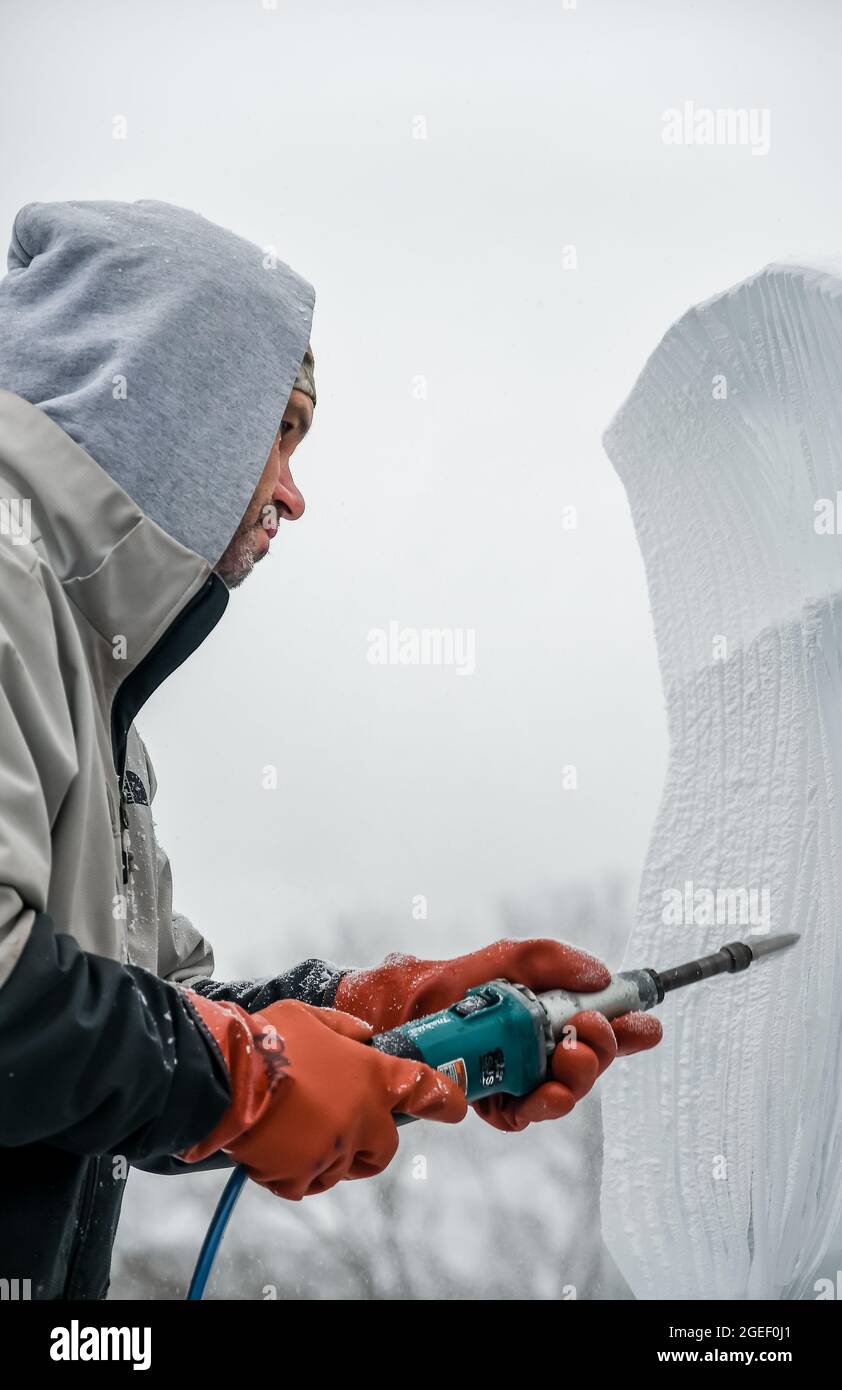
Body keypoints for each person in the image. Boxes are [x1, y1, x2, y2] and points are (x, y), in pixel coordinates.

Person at [0, 199, 661, 1300]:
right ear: (172, 398)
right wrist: (244, 1077)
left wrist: (381, 1016)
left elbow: (142, 1025)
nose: (292, 496)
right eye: (284, 428)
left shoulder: (85, 675)